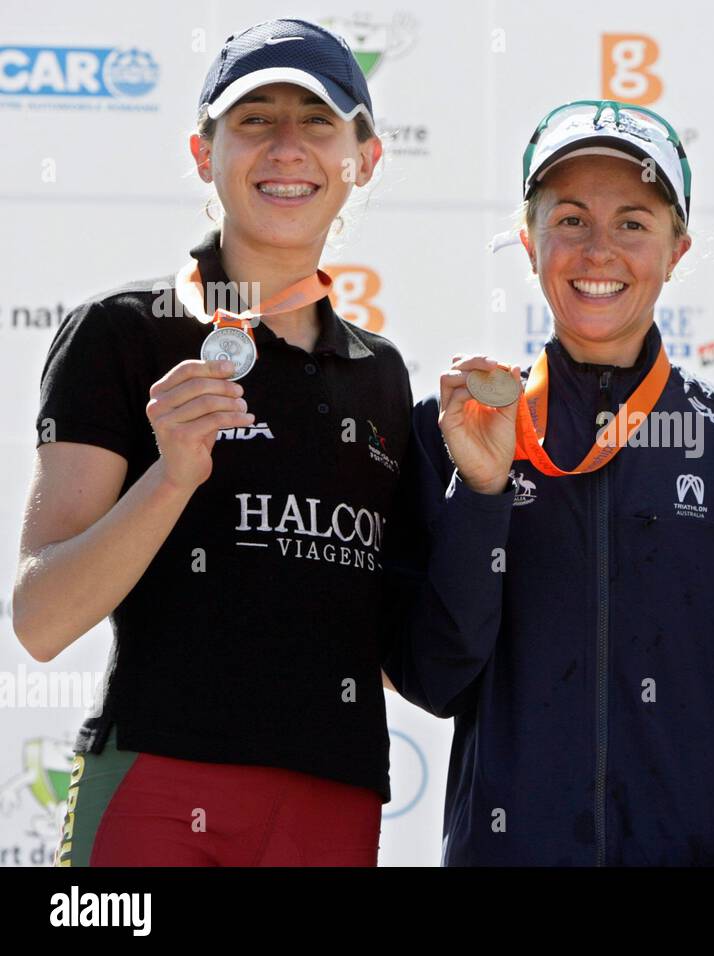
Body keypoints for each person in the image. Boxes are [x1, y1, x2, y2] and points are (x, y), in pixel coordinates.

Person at [13, 18, 501, 866]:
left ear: (366, 161)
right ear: (203, 152)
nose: (286, 148)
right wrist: (171, 478)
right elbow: (40, 620)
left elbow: (405, 648)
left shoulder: (382, 377)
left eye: (317, 121)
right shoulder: (123, 333)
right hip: (155, 786)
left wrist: (488, 497)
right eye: (253, 119)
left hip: (334, 799)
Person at [384, 100, 714, 866]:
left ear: (677, 249)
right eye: (572, 220)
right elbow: (437, 681)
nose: (599, 250)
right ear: (529, 241)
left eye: (634, 223)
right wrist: (480, 495)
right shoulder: (454, 425)